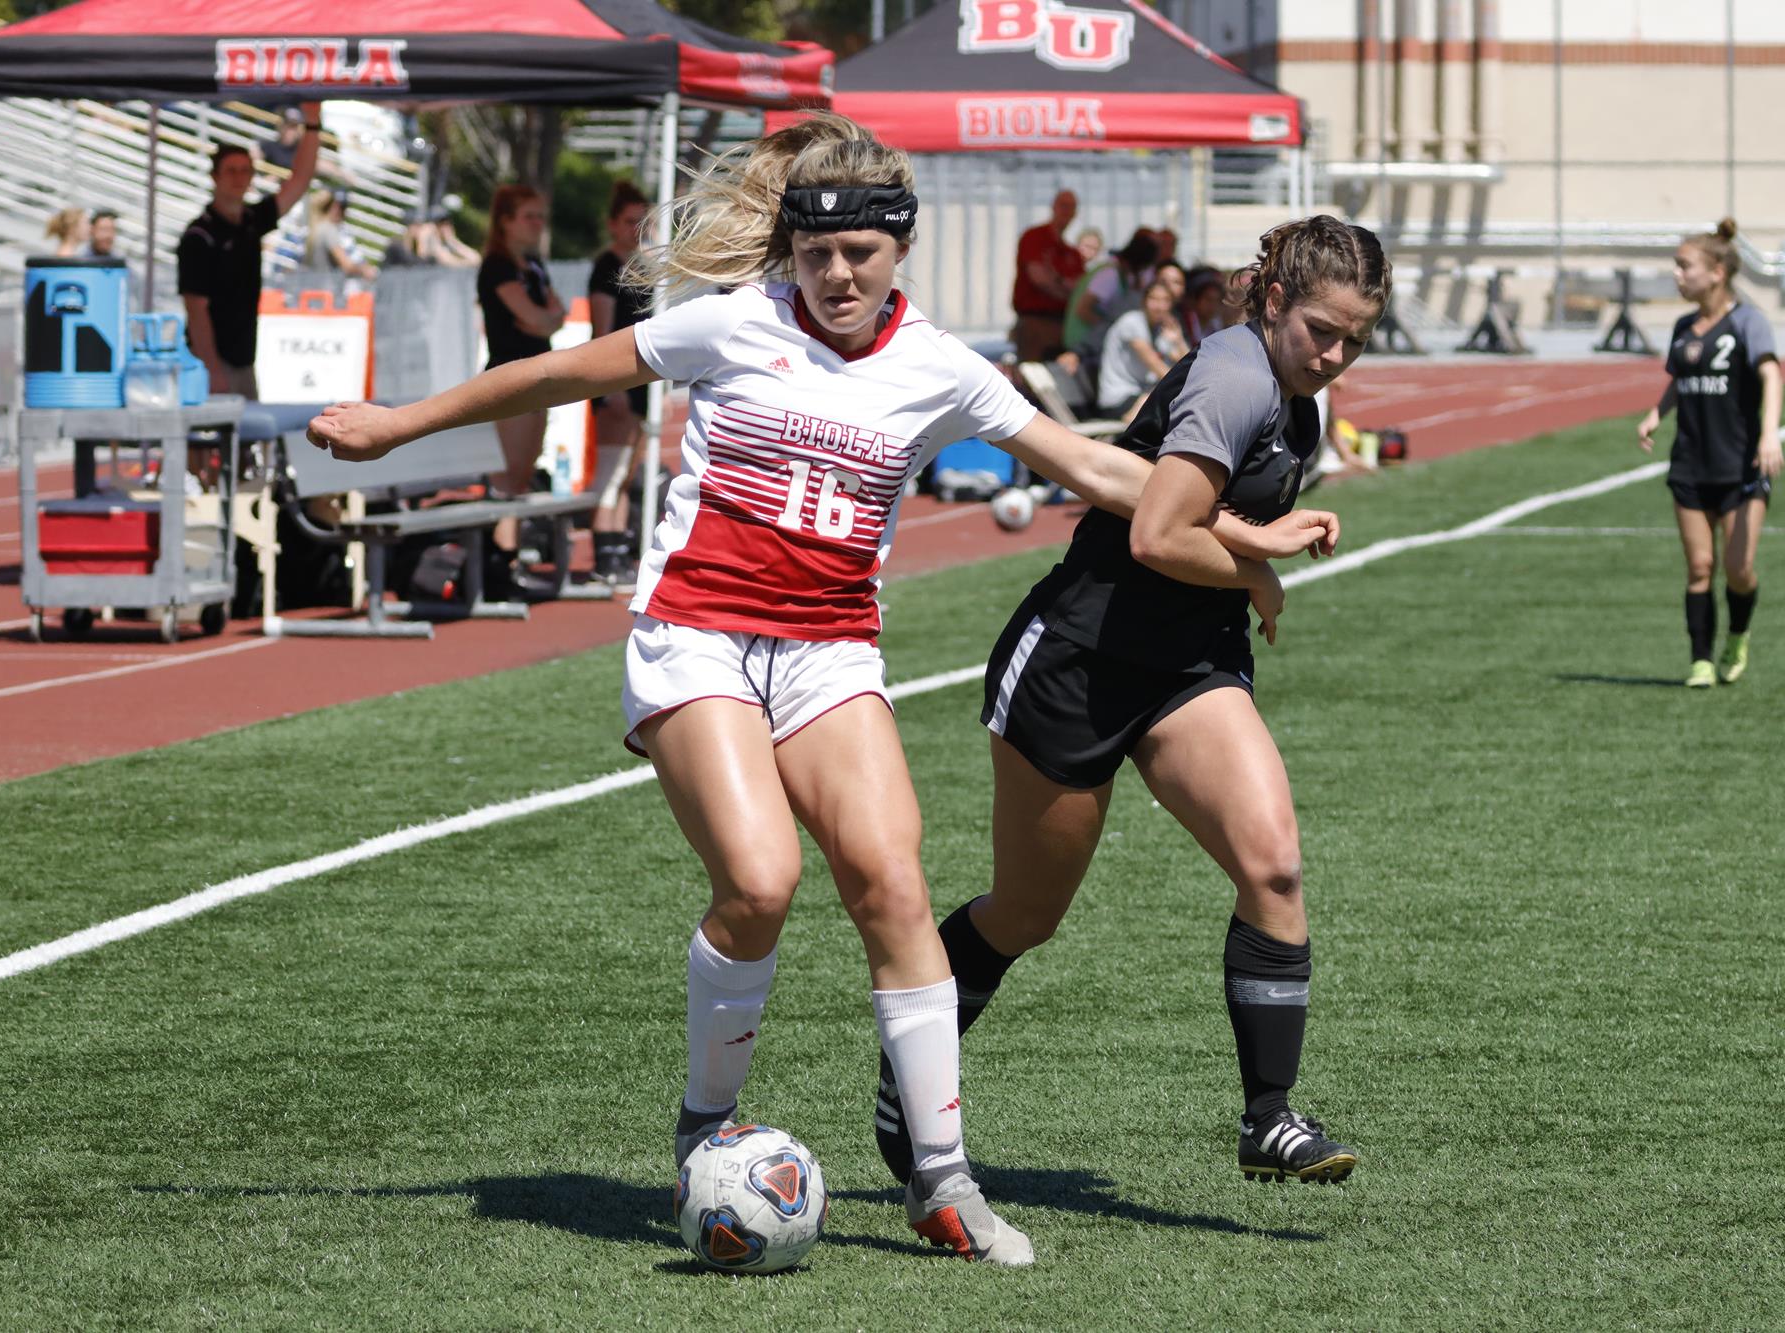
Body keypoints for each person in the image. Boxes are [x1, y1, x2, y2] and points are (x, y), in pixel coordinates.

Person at [306, 114, 1160, 1266]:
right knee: (759, 885)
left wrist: (1236, 524)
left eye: (860, 254)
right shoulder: (728, 325)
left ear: (897, 250)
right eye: (817, 255)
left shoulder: (942, 366)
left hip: (828, 652)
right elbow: (557, 370)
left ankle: (942, 1181)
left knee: (893, 886)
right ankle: (707, 1123)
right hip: (696, 637)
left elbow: (1095, 466)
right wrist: (396, 426)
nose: (838, 275)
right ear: (790, 250)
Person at [871, 215, 1390, 1190]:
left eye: (1354, 339)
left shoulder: (1297, 400)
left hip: (1187, 661)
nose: (1333, 354)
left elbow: (1207, 528)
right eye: (1321, 329)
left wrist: (1246, 570)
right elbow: (1156, 533)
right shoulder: (1235, 376)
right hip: (1081, 655)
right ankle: (908, 1074)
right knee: (1024, 913)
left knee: (1272, 866)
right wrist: (1261, 562)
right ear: (1273, 299)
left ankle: (1267, 1118)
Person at [1638, 220, 1782, 688]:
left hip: (1741, 465)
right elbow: (1681, 380)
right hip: (1691, 463)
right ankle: (1700, 660)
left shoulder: (1747, 321)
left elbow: (1772, 375)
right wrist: (1657, 415)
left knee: (1739, 570)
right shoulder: (1683, 327)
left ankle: (1737, 636)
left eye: (1685, 266)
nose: (1678, 275)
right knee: (1700, 567)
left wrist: (1770, 435)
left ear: (1717, 271)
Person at [177, 103, 322, 400]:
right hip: (214, 360)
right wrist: (211, 367)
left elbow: (300, 181)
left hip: (243, 357)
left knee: (247, 440)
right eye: (231, 171)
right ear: (215, 176)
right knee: (208, 440)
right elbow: (196, 309)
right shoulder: (199, 236)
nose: (239, 178)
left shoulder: (251, 221)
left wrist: (313, 125)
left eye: (245, 171)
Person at [475, 183, 567, 595]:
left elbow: (555, 317)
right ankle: (498, 562)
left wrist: (545, 320)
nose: (537, 225)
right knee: (507, 475)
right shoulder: (496, 265)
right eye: (529, 216)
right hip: (509, 377)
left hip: (537, 377)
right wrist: (545, 319)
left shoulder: (533, 264)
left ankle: (506, 560)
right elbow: (534, 315)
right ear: (506, 221)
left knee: (523, 474)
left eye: (541, 216)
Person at [583, 180, 651, 587]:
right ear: (612, 224)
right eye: (629, 221)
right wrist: (611, 387)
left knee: (627, 473)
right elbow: (602, 330)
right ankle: (603, 553)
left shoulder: (643, 267)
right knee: (610, 471)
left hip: (640, 381)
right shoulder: (607, 267)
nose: (636, 228)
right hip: (617, 380)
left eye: (643, 221)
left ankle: (616, 551)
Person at [1093, 273, 1186, 419]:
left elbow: (1186, 364)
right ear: (1144, 301)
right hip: (1119, 400)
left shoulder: (1160, 329)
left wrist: (1179, 340)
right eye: (1154, 299)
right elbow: (1158, 367)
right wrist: (1188, 388)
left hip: (1141, 395)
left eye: (1165, 300)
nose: (1159, 306)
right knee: (1168, 401)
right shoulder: (1132, 322)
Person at [1063, 229, 1157, 363]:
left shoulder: (1120, 276)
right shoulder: (1109, 275)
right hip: (1082, 345)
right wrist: (1112, 329)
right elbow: (1083, 310)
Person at [1010, 189, 1083, 361]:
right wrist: (1065, 288)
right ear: (1053, 207)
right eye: (1063, 205)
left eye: (1071, 207)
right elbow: (1040, 279)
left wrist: (1059, 283)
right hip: (1036, 322)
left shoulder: (1072, 253)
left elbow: (1079, 288)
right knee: (1033, 374)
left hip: (1063, 325)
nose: (1066, 211)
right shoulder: (1035, 237)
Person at [301, 189, 378, 282]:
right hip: (326, 291)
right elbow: (347, 266)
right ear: (333, 207)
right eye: (341, 208)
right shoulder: (329, 230)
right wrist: (365, 270)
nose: (342, 213)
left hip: (314, 287)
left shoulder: (315, 228)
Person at [1179, 265, 1228, 348]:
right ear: (1195, 300)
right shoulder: (1182, 323)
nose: (1213, 305)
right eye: (1208, 299)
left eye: (1217, 300)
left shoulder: (1218, 326)